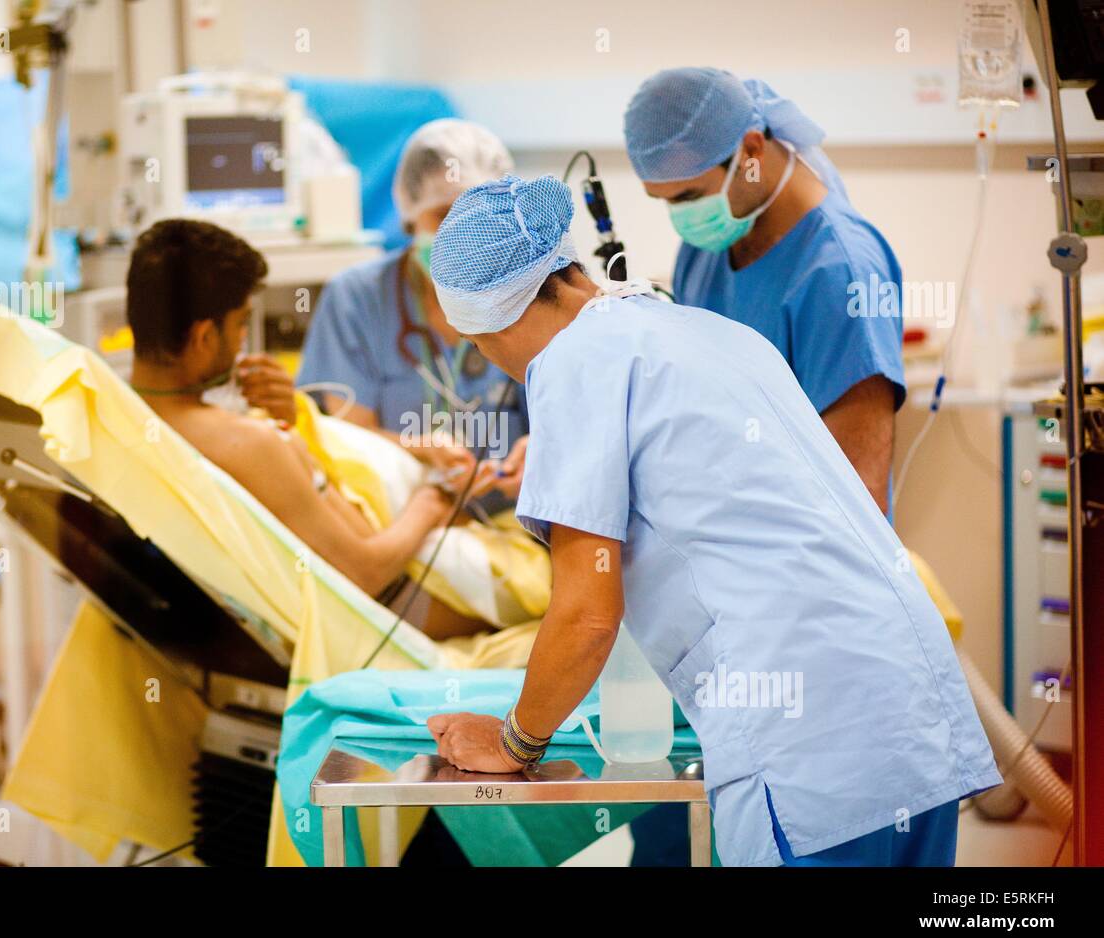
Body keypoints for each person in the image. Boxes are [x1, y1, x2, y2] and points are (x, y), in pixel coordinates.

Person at [423, 175, 1000, 866]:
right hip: (910, 710)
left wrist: (515, 741)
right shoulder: (696, 328)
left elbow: (587, 616)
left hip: (812, 753)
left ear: (493, 322)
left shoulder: (572, 361)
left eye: (481, 347)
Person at [125, 218, 484, 638]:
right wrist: (433, 501)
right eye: (241, 324)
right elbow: (366, 572)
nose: (244, 341)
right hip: (387, 606)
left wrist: (293, 421)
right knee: (539, 596)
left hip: (380, 572)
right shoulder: (250, 442)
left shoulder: (121, 417)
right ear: (204, 337)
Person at [624, 67, 903, 514]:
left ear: (751, 150)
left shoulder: (841, 272)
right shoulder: (705, 251)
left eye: (688, 197)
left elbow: (858, 495)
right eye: (664, 200)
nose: (680, 217)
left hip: (805, 562)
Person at [296, 119, 528, 503]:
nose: (461, 233)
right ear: (409, 215)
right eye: (443, 215)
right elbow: (346, 439)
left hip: (516, 518)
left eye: (475, 216)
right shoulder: (357, 298)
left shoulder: (525, 294)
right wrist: (418, 448)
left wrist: (536, 456)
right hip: (405, 517)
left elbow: (564, 423)